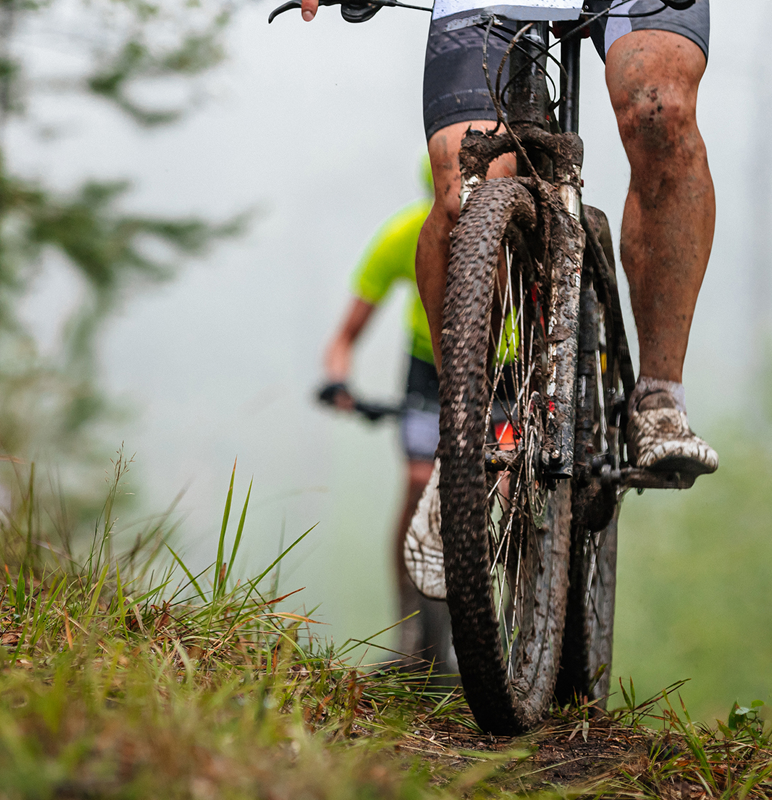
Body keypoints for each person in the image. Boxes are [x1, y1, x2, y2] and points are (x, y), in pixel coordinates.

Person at [303, 0, 719, 583]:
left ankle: (658, 400)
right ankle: (463, 441)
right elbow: (348, 331)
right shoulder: (392, 237)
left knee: (661, 111)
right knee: (462, 184)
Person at [317, 158, 455, 673]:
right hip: (428, 370)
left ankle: (500, 635)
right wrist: (338, 381)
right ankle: (413, 636)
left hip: (504, 365)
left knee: (502, 485)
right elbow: (343, 338)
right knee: (419, 485)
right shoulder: (405, 235)